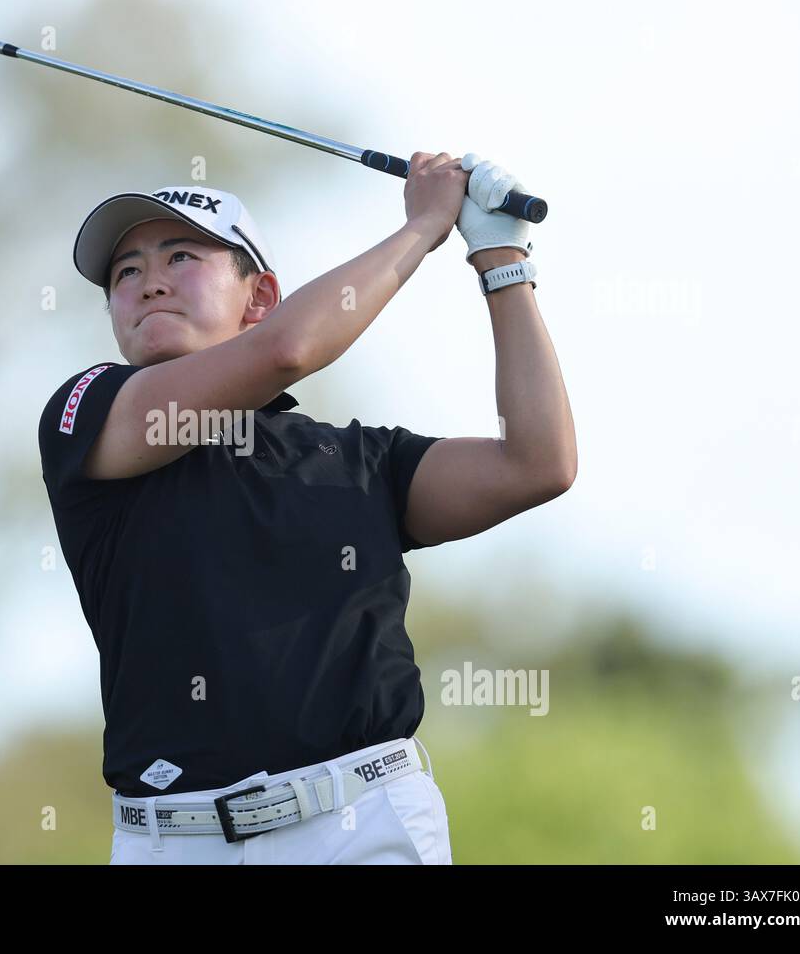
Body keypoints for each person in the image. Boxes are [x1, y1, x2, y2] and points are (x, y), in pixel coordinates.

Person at [37, 153, 577, 864]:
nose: (149, 282)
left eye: (182, 255)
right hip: (170, 840)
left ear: (258, 295)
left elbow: (537, 464)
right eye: (125, 272)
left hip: (362, 827)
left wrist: (499, 257)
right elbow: (287, 350)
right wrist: (424, 226)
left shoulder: (359, 462)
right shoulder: (89, 413)